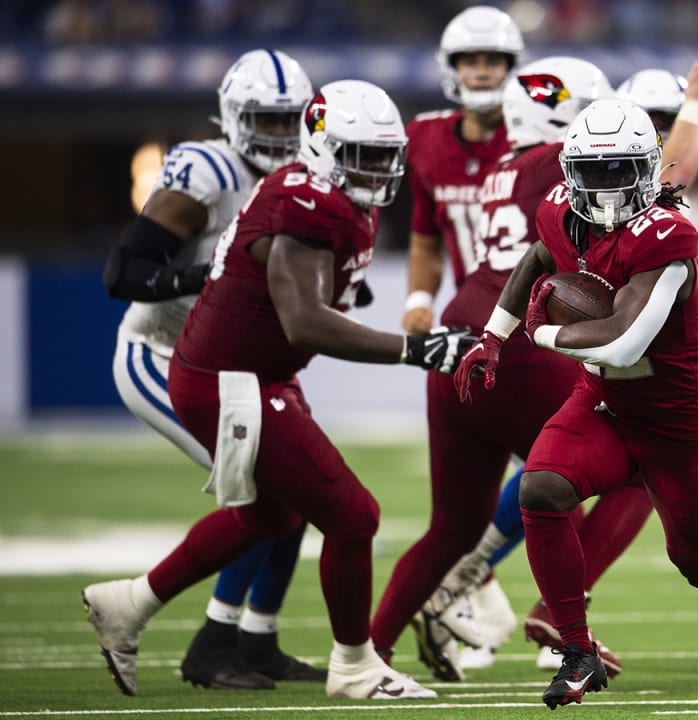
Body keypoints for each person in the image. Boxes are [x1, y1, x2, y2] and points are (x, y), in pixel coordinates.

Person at [82, 79, 473, 700]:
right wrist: (414, 349)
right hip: (230, 380)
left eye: (383, 155)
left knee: (270, 515)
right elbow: (305, 320)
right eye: (361, 155)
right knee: (354, 516)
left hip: (250, 373)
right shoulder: (305, 200)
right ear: (321, 147)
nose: (376, 169)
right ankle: (355, 666)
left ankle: (129, 603)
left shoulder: (332, 197)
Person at [402, 58, 698, 680]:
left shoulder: (543, 171)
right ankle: (497, 588)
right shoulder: (579, 175)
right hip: (582, 346)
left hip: (557, 331)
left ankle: (472, 572)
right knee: (566, 474)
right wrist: (696, 106)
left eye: (663, 125)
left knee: (554, 477)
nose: (660, 142)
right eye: (653, 125)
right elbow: (674, 172)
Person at [455, 98, 698, 709]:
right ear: (571, 171)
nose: (604, 187)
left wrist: (537, 332)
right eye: (593, 171)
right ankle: (576, 650)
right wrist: (493, 334)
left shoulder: (668, 233)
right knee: (540, 488)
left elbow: (624, 341)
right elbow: (536, 260)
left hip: (676, 421)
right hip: (603, 403)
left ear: (647, 169)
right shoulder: (557, 213)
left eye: (619, 169)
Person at [370, 54, 613, 683]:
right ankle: (567, 634)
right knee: (606, 473)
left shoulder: (502, 168)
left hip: (463, 331)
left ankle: (367, 654)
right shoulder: (558, 160)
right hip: (520, 342)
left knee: (452, 525)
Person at [103, 48, 326, 690]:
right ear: (233, 115)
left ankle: (256, 640)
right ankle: (209, 641)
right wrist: (209, 277)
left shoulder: (311, 172)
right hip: (168, 355)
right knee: (268, 490)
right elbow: (124, 274)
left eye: (291, 121)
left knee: (304, 486)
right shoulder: (209, 169)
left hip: (244, 361)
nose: (282, 135)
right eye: (267, 119)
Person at [384, 5, 528, 674]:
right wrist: (417, 298)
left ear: (512, 68)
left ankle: (459, 592)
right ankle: (472, 592)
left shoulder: (535, 137)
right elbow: (422, 235)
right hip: (474, 329)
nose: (481, 71)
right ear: (450, 69)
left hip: (536, 327)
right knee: (576, 464)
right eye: (471, 60)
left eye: (493, 61)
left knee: (540, 475)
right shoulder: (427, 139)